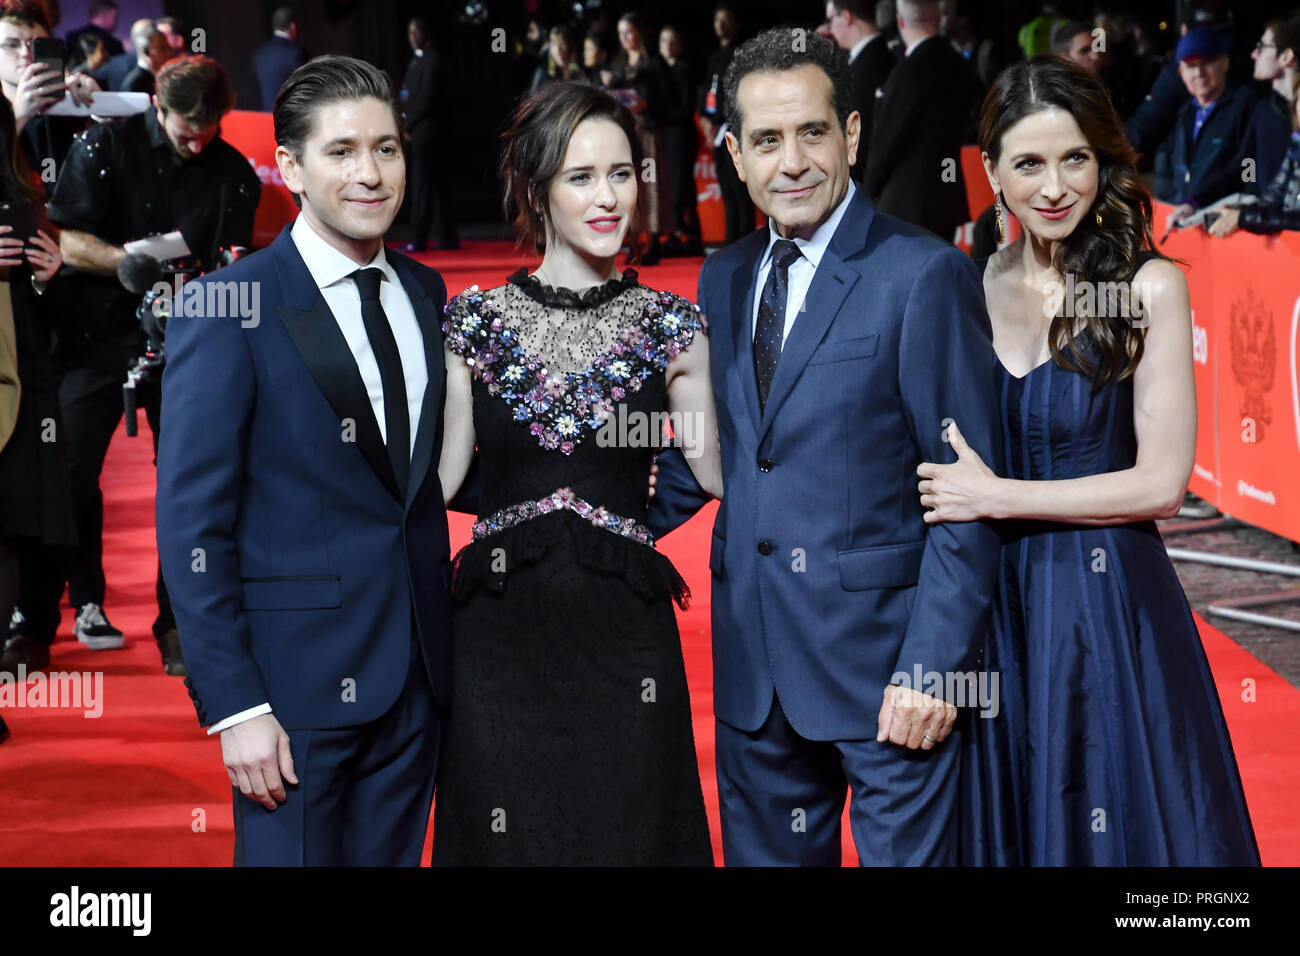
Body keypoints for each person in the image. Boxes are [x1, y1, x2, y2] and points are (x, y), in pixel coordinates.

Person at [647, 28, 1003, 866]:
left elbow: (970, 496)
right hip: (754, 674)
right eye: (767, 140)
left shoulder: (921, 276)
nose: (792, 161)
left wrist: (932, 669)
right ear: (733, 154)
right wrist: (557, 504)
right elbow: (724, 452)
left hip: (889, 679)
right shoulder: (723, 277)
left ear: (850, 133)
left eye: (812, 132)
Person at [922, 56, 1260, 865]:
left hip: (1106, 602)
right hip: (991, 606)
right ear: (992, 172)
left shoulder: (1149, 289)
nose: (1054, 186)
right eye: (1029, 163)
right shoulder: (965, 284)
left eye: (1075, 158)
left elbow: (1163, 483)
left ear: (1104, 160)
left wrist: (996, 496)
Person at [157, 55, 451, 866]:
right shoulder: (231, 307)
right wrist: (235, 704)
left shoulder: (427, 293)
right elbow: (192, 525)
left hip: (417, 679)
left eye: (387, 149)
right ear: (289, 165)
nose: (371, 173)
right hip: (291, 697)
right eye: (343, 151)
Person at [432, 80, 720, 866]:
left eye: (622, 173)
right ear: (536, 187)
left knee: (628, 831)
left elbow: (719, 471)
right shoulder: (474, 321)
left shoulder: (674, 326)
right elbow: (444, 478)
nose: (608, 198)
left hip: (626, 636)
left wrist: (620, 520)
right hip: (498, 631)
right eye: (581, 176)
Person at [45, 55, 260, 676]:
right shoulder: (105, 144)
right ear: (157, 108)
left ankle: (178, 621)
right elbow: (64, 236)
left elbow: (237, 265)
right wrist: (123, 263)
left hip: (188, 346)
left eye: (208, 129)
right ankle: (81, 602)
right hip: (93, 335)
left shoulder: (233, 174)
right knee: (71, 470)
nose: (197, 141)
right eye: (185, 128)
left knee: (188, 489)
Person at [0, 91, 71, 680]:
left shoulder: (27, 201)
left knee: (9, 535)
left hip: (21, 388)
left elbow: (49, 317)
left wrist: (49, 278)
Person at [864, 0, 975, 242]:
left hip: (906, 205)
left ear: (901, 22)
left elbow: (887, 140)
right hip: (947, 198)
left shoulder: (908, 72)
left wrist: (867, 189)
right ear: (939, 19)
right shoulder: (961, 66)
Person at [1161, 28, 1261, 231]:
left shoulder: (1246, 106)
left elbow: (1248, 170)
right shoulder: (1184, 113)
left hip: (1226, 227)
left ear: (1225, 63)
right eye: (1190, 66)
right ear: (1180, 72)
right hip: (1187, 223)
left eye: (1206, 62)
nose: (1198, 73)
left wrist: (1241, 214)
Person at [1211, 73, 1300, 237]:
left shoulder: (1248, 101)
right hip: (1259, 205)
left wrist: (1245, 216)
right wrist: (1244, 206)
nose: (1254, 54)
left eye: (1262, 47)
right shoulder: (1263, 110)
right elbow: (1247, 161)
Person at [400, 16, 457, 252]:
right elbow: (408, 95)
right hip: (420, 131)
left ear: (426, 34)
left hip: (429, 133)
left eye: (417, 33)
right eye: (410, 33)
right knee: (432, 186)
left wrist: (409, 125)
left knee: (425, 186)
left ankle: (423, 238)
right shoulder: (415, 61)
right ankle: (446, 238)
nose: (413, 38)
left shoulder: (433, 60)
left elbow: (427, 98)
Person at [699, 4, 753, 246]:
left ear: (736, 23)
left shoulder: (742, 53)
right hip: (717, 128)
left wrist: (728, 120)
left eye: (725, 19)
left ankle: (747, 236)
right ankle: (732, 238)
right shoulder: (713, 57)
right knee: (726, 188)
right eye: (717, 20)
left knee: (739, 185)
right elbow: (709, 92)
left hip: (734, 126)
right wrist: (706, 118)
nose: (720, 25)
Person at [824, 0, 895, 182]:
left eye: (830, 20)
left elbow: (861, 134)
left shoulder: (870, 65)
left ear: (846, 17)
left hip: (863, 181)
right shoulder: (871, 59)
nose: (829, 28)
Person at [657, 24, 700, 256]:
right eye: (664, 41)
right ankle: (683, 234)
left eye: (672, 41)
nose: (668, 46)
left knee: (681, 185)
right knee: (674, 186)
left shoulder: (683, 69)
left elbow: (685, 107)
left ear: (680, 45)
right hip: (667, 135)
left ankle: (683, 234)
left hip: (681, 135)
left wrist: (660, 112)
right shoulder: (659, 70)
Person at [252, 6, 308, 111]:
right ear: (293, 26)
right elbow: (305, 89)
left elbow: (256, 91)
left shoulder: (259, 54)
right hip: (290, 120)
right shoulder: (296, 53)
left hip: (265, 117)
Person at [122, 23, 172, 95]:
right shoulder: (133, 85)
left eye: (168, 47)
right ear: (145, 51)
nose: (168, 53)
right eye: (161, 48)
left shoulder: (168, 75)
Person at [530, 24, 581, 91]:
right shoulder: (543, 71)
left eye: (562, 44)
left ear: (570, 45)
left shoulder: (581, 70)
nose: (558, 50)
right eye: (554, 45)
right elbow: (533, 96)